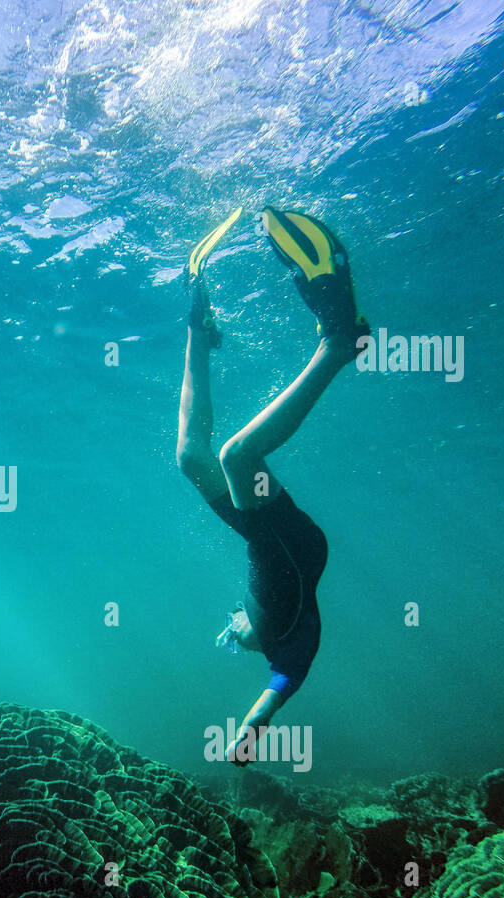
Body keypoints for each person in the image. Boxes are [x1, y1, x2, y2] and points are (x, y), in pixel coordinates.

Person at [175, 208, 369, 764]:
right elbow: (269, 703)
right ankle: (340, 344)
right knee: (238, 455)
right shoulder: (289, 654)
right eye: (237, 634)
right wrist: (246, 739)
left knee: (191, 458)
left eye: (234, 630)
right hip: (293, 546)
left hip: (260, 536)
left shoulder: (258, 626)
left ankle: (198, 333)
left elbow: (246, 613)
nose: (234, 629)